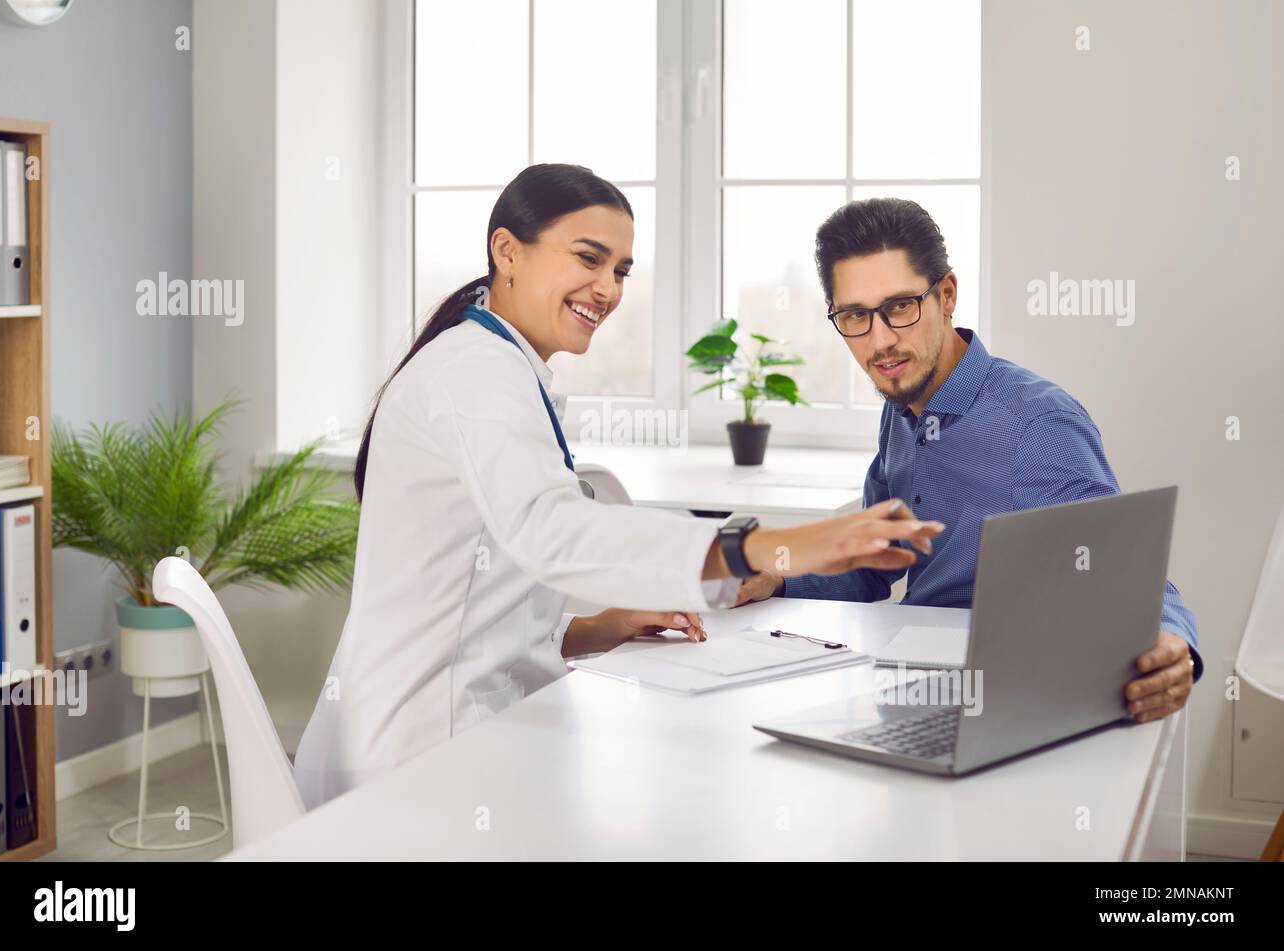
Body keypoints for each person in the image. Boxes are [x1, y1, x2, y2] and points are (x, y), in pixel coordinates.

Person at [293, 166, 943, 808]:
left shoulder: (504, 369)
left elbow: (475, 612)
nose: (607, 289)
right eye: (589, 258)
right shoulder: (474, 376)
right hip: (418, 762)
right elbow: (557, 532)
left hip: (452, 735)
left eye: (622, 270)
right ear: (507, 251)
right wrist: (784, 546)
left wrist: (596, 628)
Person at [734, 197, 1199, 724]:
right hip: (911, 680)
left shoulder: (1035, 420)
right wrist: (780, 577)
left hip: (1011, 700)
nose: (881, 340)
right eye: (855, 316)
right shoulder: (902, 405)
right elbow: (876, 562)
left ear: (947, 295)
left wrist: (1173, 641)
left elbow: (1124, 577)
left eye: (901, 307)